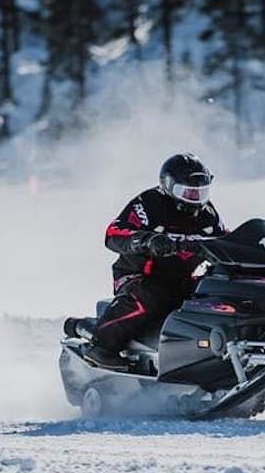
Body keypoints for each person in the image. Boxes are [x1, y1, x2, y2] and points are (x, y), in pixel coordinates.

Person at [66, 153, 225, 370]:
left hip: (181, 279)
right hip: (138, 276)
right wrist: (146, 240)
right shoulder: (149, 204)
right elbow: (113, 233)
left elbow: (225, 238)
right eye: (188, 192)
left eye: (200, 193)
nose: (194, 199)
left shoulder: (208, 214)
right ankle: (102, 347)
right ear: (168, 186)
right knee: (150, 297)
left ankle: (214, 355)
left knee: (216, 293)